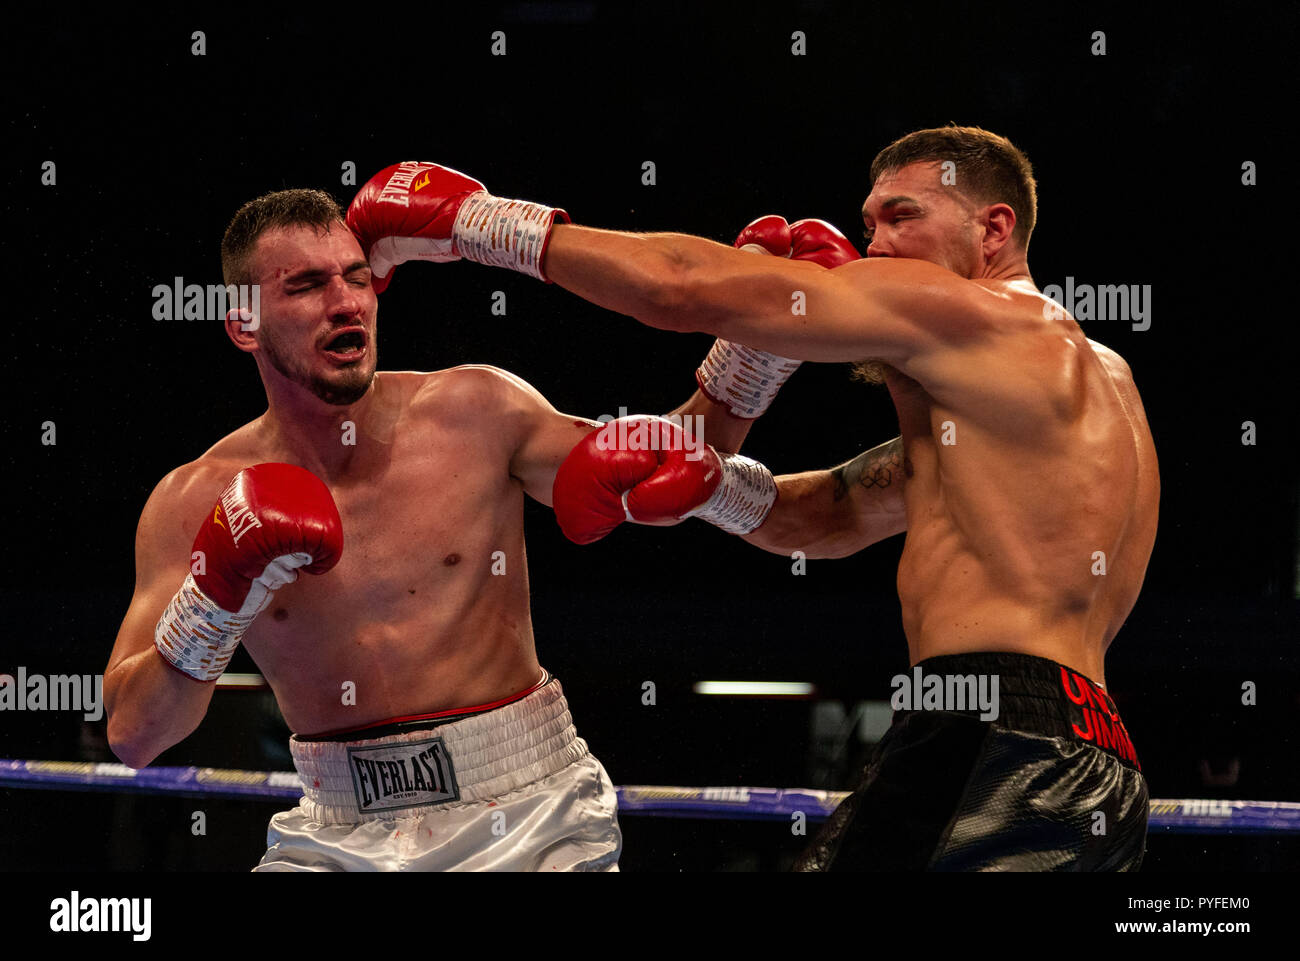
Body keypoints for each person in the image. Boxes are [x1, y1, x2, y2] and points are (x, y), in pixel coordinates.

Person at [373, 126, 1158, 871]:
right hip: (1098, 761)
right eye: (869, 220)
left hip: (985, 740)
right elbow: (838, 515)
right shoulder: (1087, 390)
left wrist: (476, 221)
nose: (876, 245)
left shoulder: (972, 314)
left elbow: (681, 287)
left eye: (903, 216)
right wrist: (714, 483)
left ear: (994, 230)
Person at [103, 171, 823, 870]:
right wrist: (213, 598)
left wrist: (755, 349)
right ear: (242, 324)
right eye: (306, 286)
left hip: (527, 808)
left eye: (356, 277)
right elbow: (134, 735)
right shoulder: (193, 499)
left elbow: (668, 466)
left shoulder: (476, 410)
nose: (346, 302)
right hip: (336, 827)